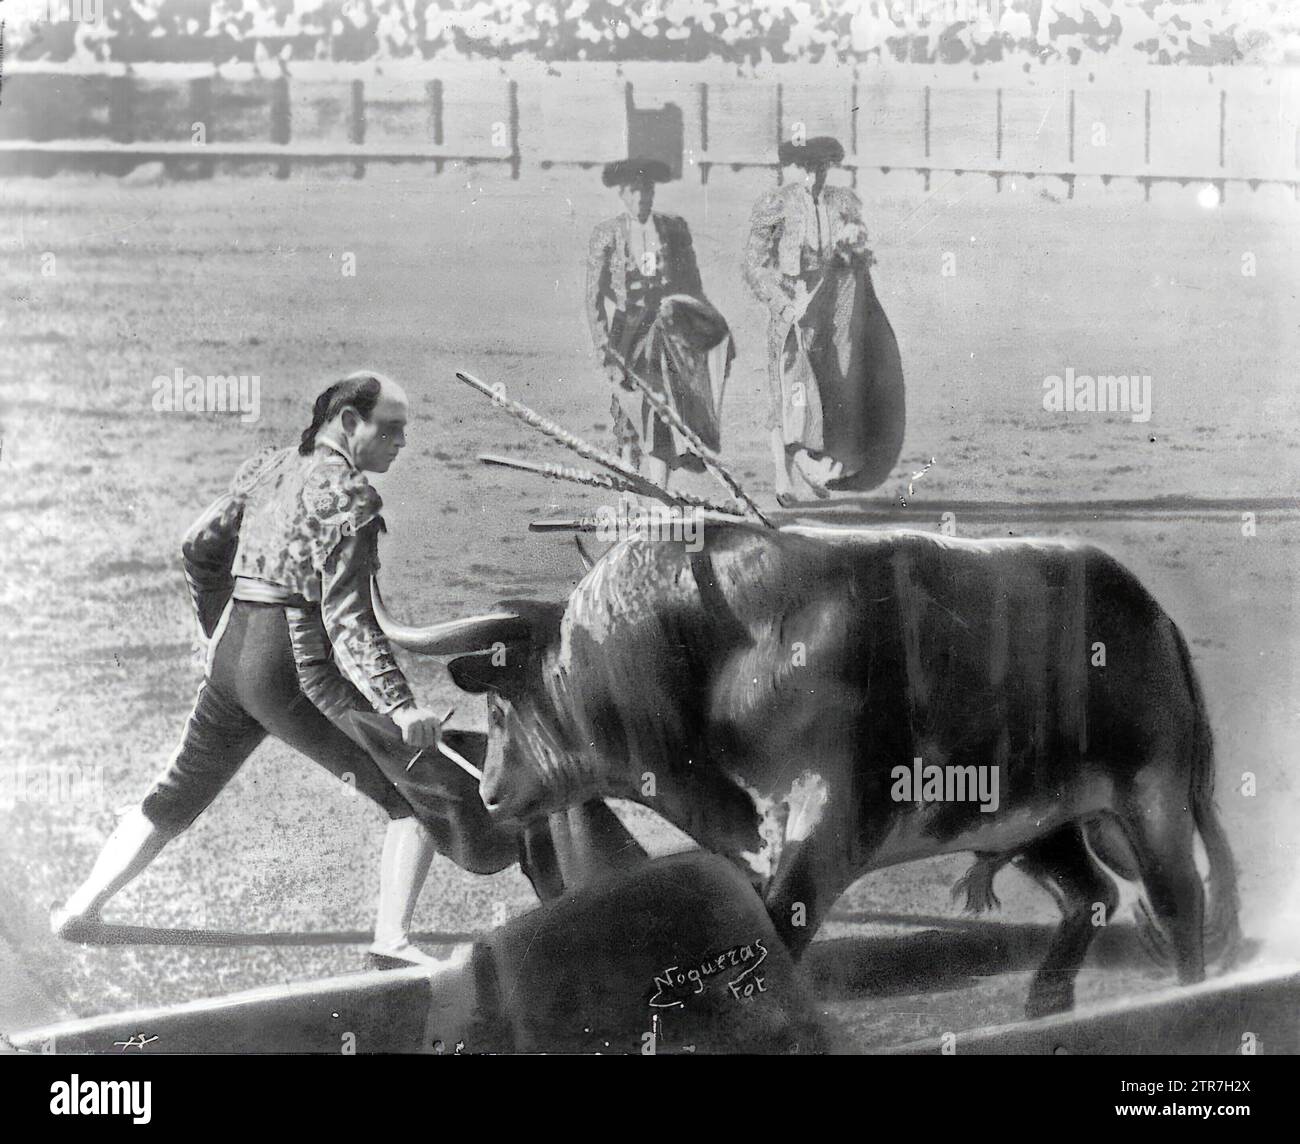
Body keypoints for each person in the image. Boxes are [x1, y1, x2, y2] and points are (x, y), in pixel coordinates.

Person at [50, 372, 509, 968]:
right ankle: (392, 945)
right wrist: (400, 706)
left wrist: (214, 626)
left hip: (233, 655)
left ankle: (80, 909)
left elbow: (197, 546)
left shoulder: (265, 467)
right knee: (412, 792)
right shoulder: (353, 497)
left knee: (180, 788)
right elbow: (348, 619)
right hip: (292, 669)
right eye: (391, 430)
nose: (402, 443)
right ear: (349, 422)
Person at [743, 135, 904, 505]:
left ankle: (818, 466)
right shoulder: (777, 204)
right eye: (811, 168)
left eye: (823, 168)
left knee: (828, 391)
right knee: (786, 389)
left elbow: (857, 256)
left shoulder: (842, 203)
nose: (817, 175)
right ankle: (784, 473)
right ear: (797, 168)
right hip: (793, 310)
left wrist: (855, 245)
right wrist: (784, 305)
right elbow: (755, 266)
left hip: (833, 315)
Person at [586, 156, 734, 491]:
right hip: (627, 335)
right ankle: (629, 494)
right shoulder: (606, 235)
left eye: (647, 191)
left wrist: (715, 323)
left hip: (668, 332)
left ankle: (659, 493)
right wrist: (604, 353)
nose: (642, 199)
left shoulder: (673, 229)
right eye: (634, 192)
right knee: (629, 415)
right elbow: (593, 298)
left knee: (664, 414)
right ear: (622, 195)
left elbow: (692, 287)